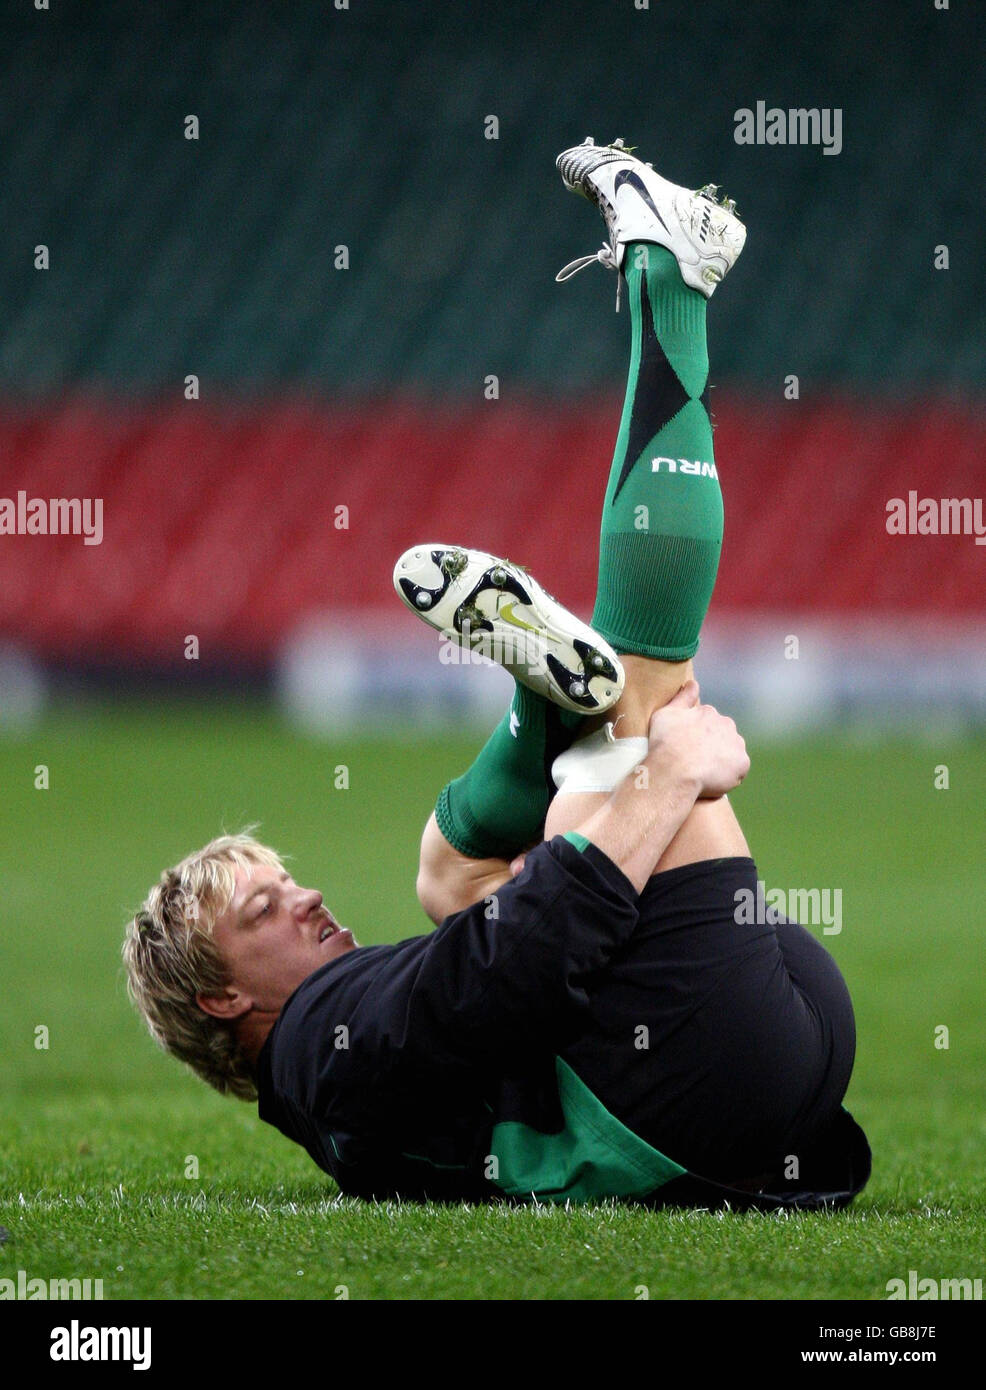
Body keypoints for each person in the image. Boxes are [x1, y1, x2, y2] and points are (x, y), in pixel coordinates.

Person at [123, 138, 870, 1208]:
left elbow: (486, 959)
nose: (310, 895)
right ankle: (673, 279)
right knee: (637, 697)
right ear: (223, 1003)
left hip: (729, 1068)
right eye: (265, 912)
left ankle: (548, 698)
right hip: (702, 1068)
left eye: (283, 882)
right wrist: (661, 769)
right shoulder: (330, 1046)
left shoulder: (329, 1081)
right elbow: (511, 969)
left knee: (445, 873)